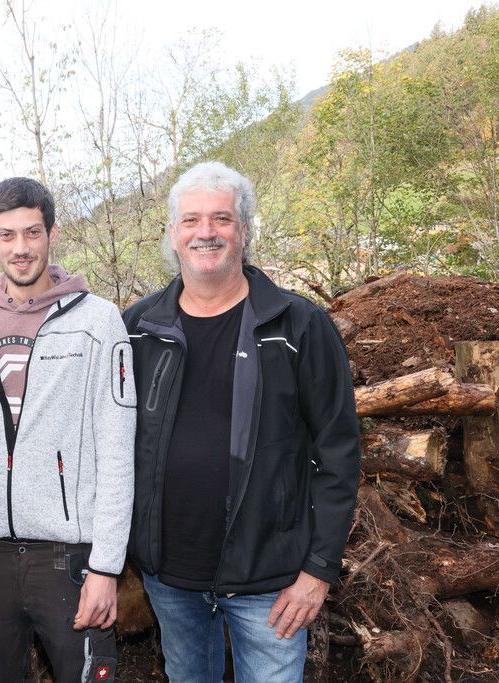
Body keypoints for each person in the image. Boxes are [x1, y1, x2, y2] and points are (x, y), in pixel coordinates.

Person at [122, 161, 360, 682]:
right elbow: (115, 443)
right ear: (173, 234)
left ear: (244, 230)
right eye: (191, 221)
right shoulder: (138, 328)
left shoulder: (299, 325)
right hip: (170, 577)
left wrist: (318, 570)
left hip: (270, 581)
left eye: (221, 219)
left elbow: (339, 453)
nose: (205, 232)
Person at [0, 177, 136, 682]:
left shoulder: (98, 322)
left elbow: (117, 449)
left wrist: (107, 566)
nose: (20, 248)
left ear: (51, 232)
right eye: (7, 235)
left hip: (70, 559)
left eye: (31, 233)